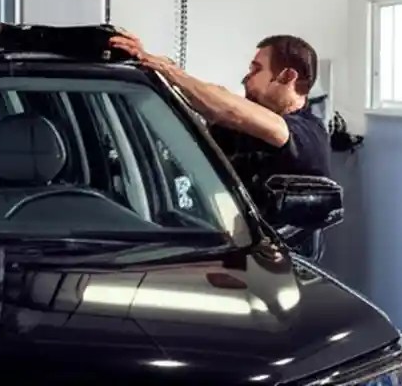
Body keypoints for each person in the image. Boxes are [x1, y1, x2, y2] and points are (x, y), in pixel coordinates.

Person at [109, 31, 332, 258]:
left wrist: (170, 71)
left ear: (287, 76)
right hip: (221, 249)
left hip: (279, 264)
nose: (246, 79)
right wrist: (152, 66)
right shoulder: (238, 130)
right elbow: (207, 107)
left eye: (256, 70)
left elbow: (228, 108)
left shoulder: (307, 134)